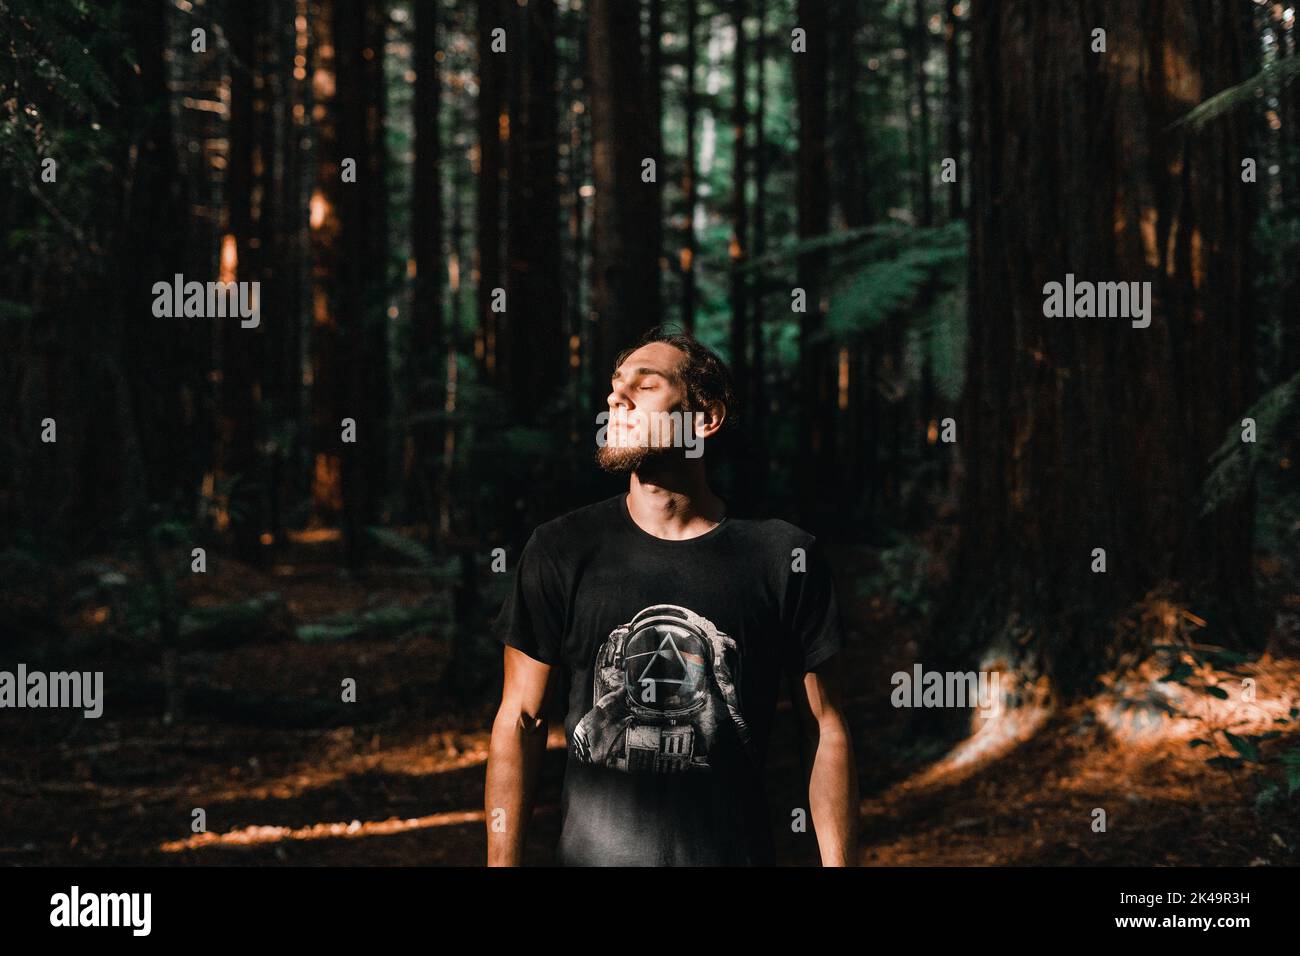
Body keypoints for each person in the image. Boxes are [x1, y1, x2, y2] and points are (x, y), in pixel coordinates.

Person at [484, 325, 858, 866]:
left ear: (704, 418)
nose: (617, 396)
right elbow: (520, 717)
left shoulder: (784, 559)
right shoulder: (562, 548)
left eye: (646, 384)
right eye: (615, 386)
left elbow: (826, 726)